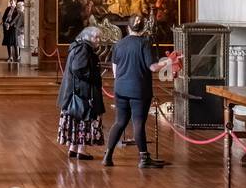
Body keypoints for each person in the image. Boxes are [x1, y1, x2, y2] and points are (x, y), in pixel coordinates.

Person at [104, 13, 165, 169]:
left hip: (121, 88)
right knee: (138, 123)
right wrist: (167, 62)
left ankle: (108, 156)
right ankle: (144, 158)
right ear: (144, 28)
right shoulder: (144, 43)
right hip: (139, 90)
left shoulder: (119, 44)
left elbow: (115, 70)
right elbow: (152, 67)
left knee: (120, 122)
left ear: (127, 27)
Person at [56, 26, 105, 160]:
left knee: (75, 121)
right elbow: (78, 68)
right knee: (84, 120)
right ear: (88, 37)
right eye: (96, 37)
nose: (98, 40)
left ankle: (73, 148)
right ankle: (81, 150)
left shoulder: (78, 47)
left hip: (76, 93)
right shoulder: (84, 48)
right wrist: (94, 76)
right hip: (82, 93)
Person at [1, 0, 21, 64]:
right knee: (8, 43)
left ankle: (17, 57)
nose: (11, 2)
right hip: (7, 27)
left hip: (13, 28)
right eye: (10, 1)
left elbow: (16, 19)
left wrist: (10, 25)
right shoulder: (8, 8)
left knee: (15, 42)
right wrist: (5, 23)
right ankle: (10, 57)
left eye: (12, 1)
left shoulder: (17, 9)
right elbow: (4, 17)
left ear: (15, 2)